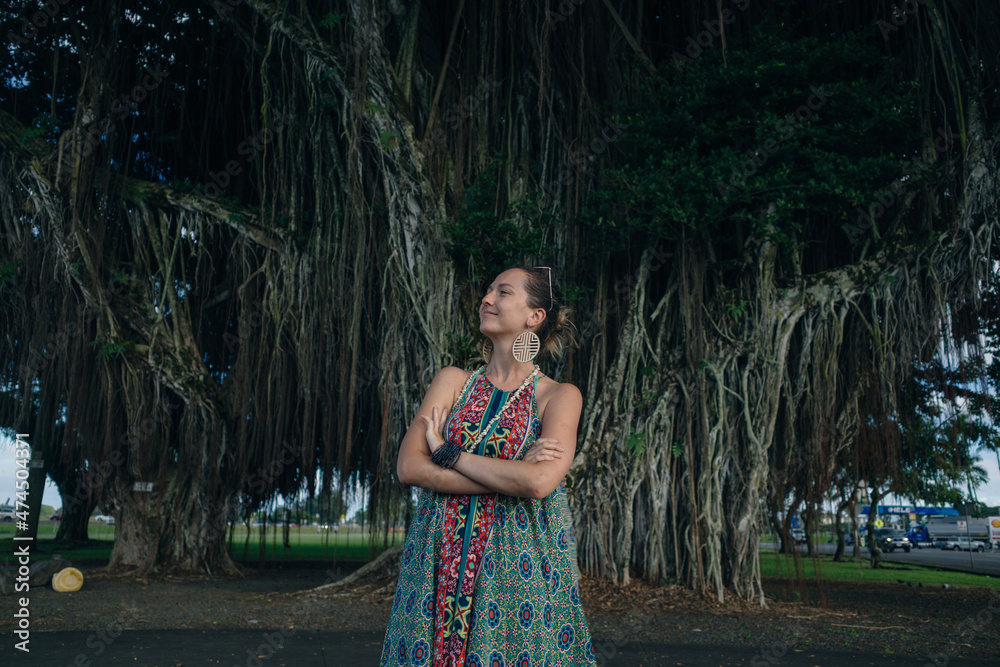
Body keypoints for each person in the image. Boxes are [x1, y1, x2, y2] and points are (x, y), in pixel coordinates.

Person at [380, 266, 597, 666]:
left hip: (514, 566)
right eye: (488, 291)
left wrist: (448, 453)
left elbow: (538, 483)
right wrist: (508, 475)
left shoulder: (559, 396)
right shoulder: (452, 382)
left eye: (504, 292)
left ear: (535, 316)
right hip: (436, 558)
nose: (487, 298)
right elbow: (409, 467)